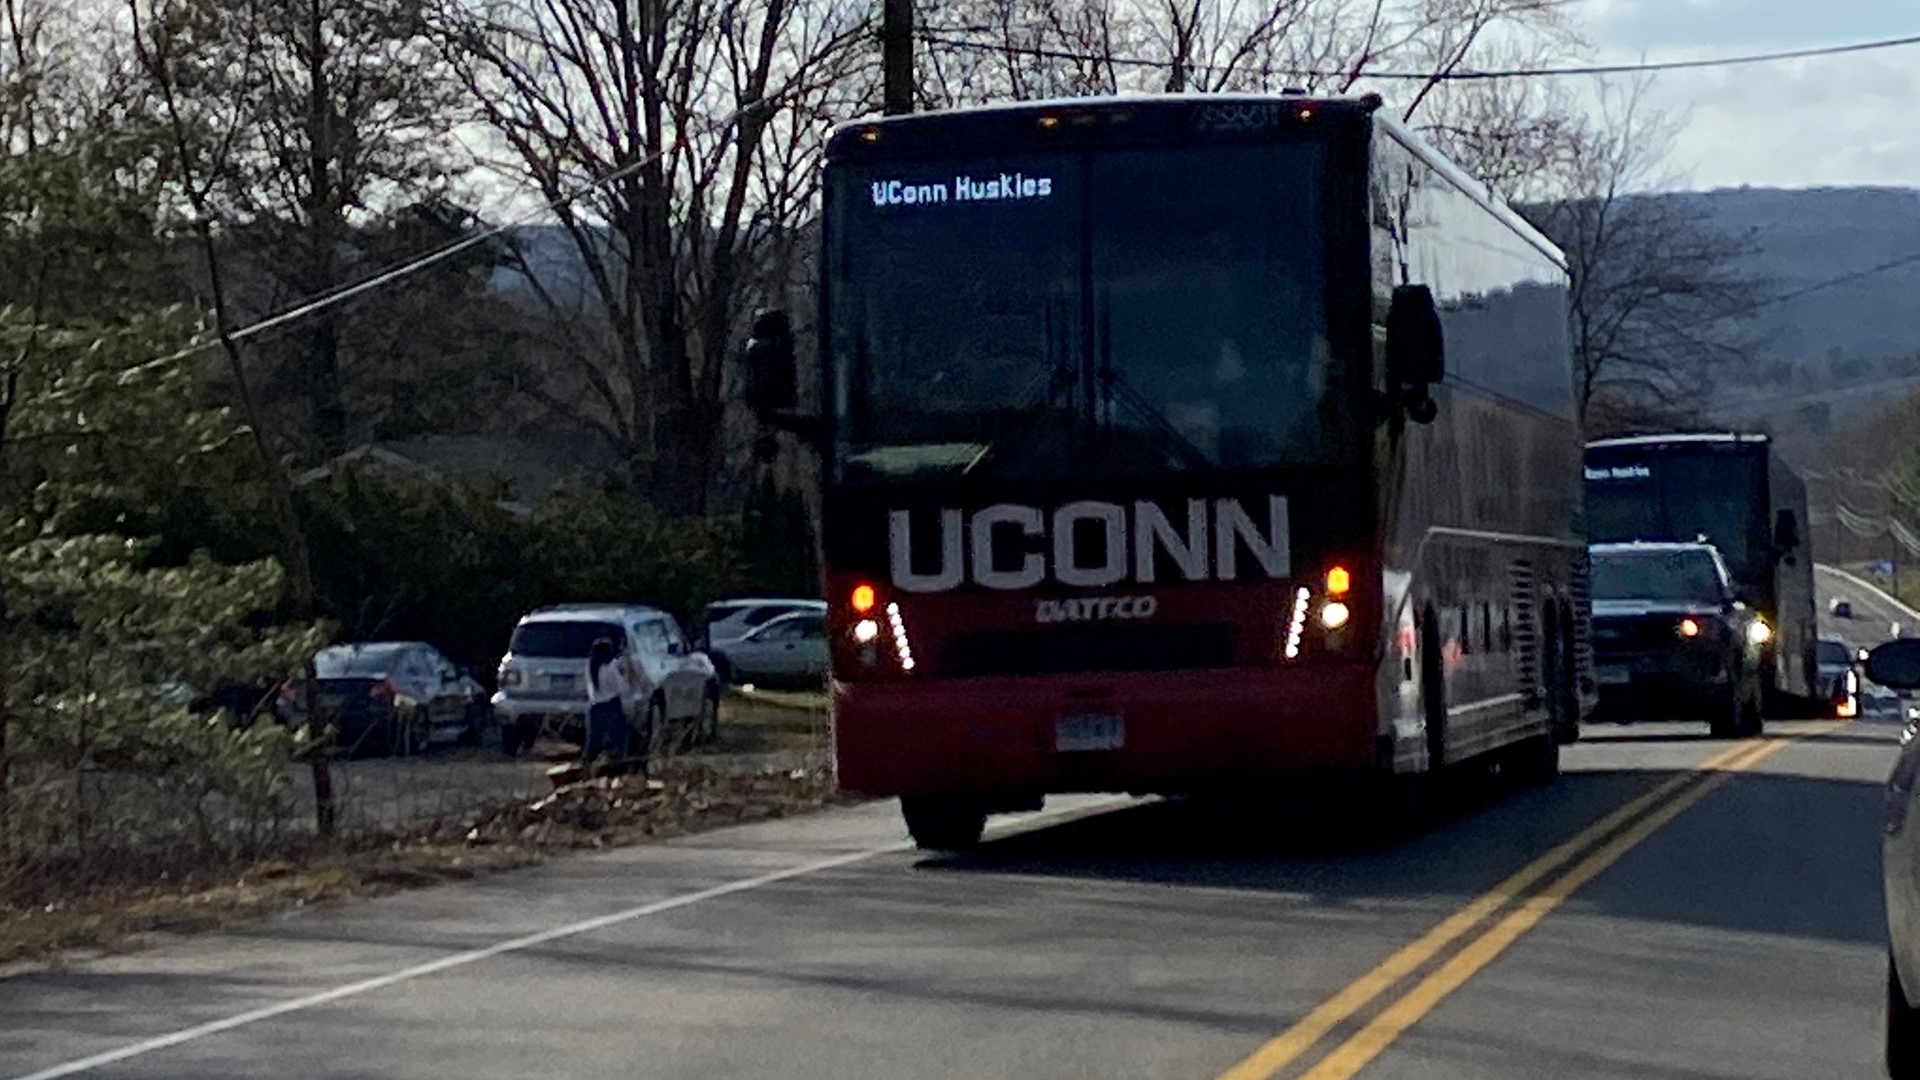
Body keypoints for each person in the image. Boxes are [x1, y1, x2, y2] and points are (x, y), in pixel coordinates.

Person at [583, 637, 633, 765]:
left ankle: (586, 767)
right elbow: (623, 688)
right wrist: (626, 673)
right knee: (620, 740)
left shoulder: (590, 666)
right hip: (611, 706)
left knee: (593, 741)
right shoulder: (611, 668)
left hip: (594, 707)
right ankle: (619, 767)